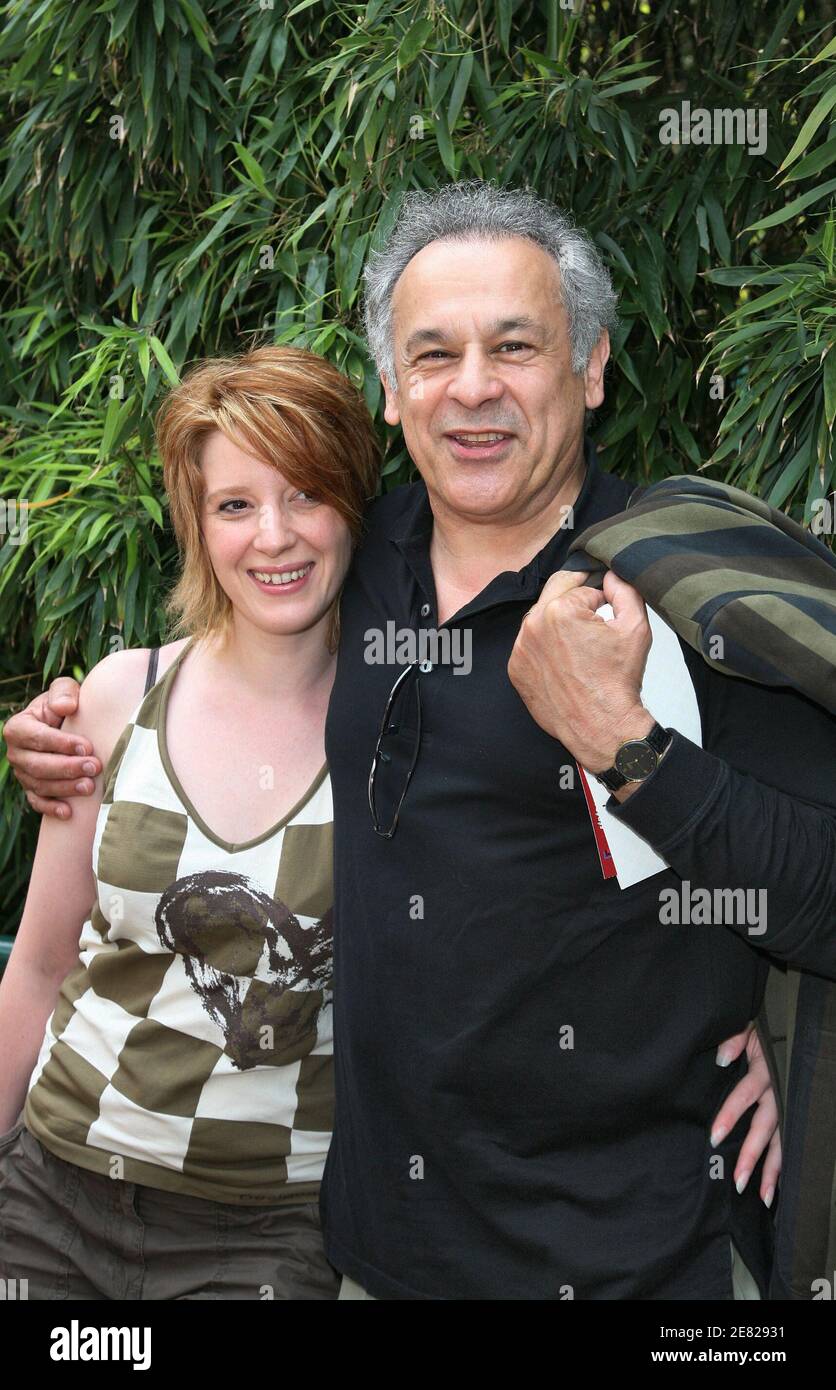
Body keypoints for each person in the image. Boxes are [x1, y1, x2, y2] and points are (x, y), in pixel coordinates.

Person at [3, 184, 796, 1301]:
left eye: (514, 344)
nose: (471, 386)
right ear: (391, 386)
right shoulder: (358, 562)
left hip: (635, 1251)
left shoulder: (674, 592)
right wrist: (69, 723)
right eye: (432, 354)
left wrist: (633, 755)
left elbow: (805, 882)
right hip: (380, 1250)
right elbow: (239, 630)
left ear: (591, 366)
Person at [0, 346, 379, 1298]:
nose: (275, 537)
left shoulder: (401, 732)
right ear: (196, 523)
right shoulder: (118, 696)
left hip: (266, 1226)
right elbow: (41, 965)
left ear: (355, 504)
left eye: (306, 494)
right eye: (235, 504)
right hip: (52, 1190)